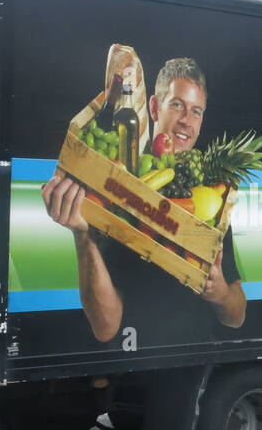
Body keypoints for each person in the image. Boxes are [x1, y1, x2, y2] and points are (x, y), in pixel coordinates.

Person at [42, 57, 247, 345]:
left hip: (195, 367)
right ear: (154, 107)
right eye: (177, 105)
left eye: (196, 111)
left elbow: (237, 316)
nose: (186, 120)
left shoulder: (210, 196)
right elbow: (106, 327)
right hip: (134, 365)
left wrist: (222, 293)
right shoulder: (116, 184)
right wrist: (82, 234)